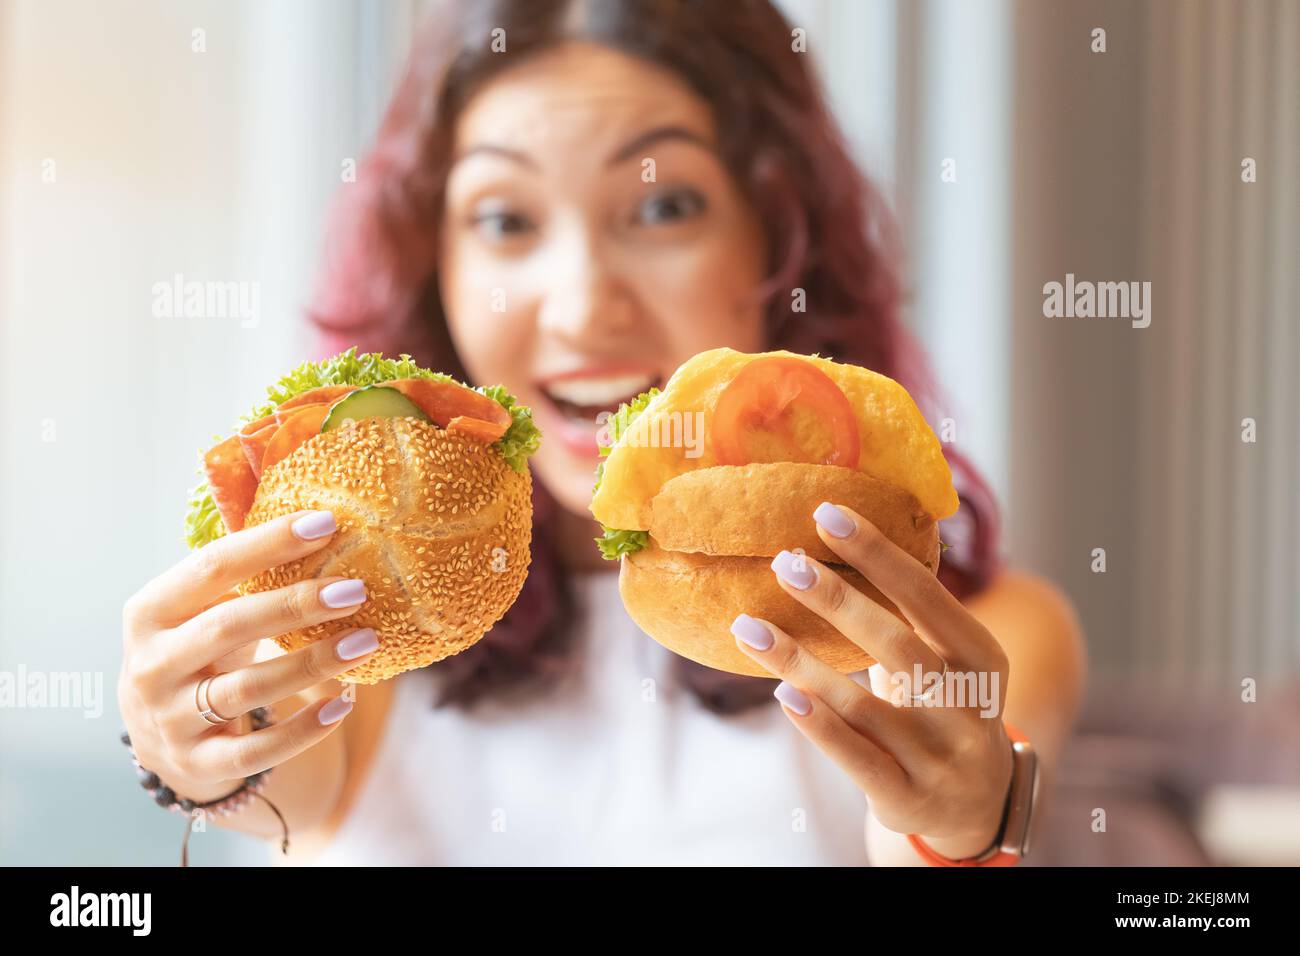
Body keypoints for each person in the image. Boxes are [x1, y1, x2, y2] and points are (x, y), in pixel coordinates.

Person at [118, 0, 1086, 865]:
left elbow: (927, 830)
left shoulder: (970, 638)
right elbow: (275, 782)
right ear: (434, 269)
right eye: (506, 219)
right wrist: (193, 753)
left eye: (662, 207)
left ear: (780, 244)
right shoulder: (356, 620)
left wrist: (967, 823)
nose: (582, 308)